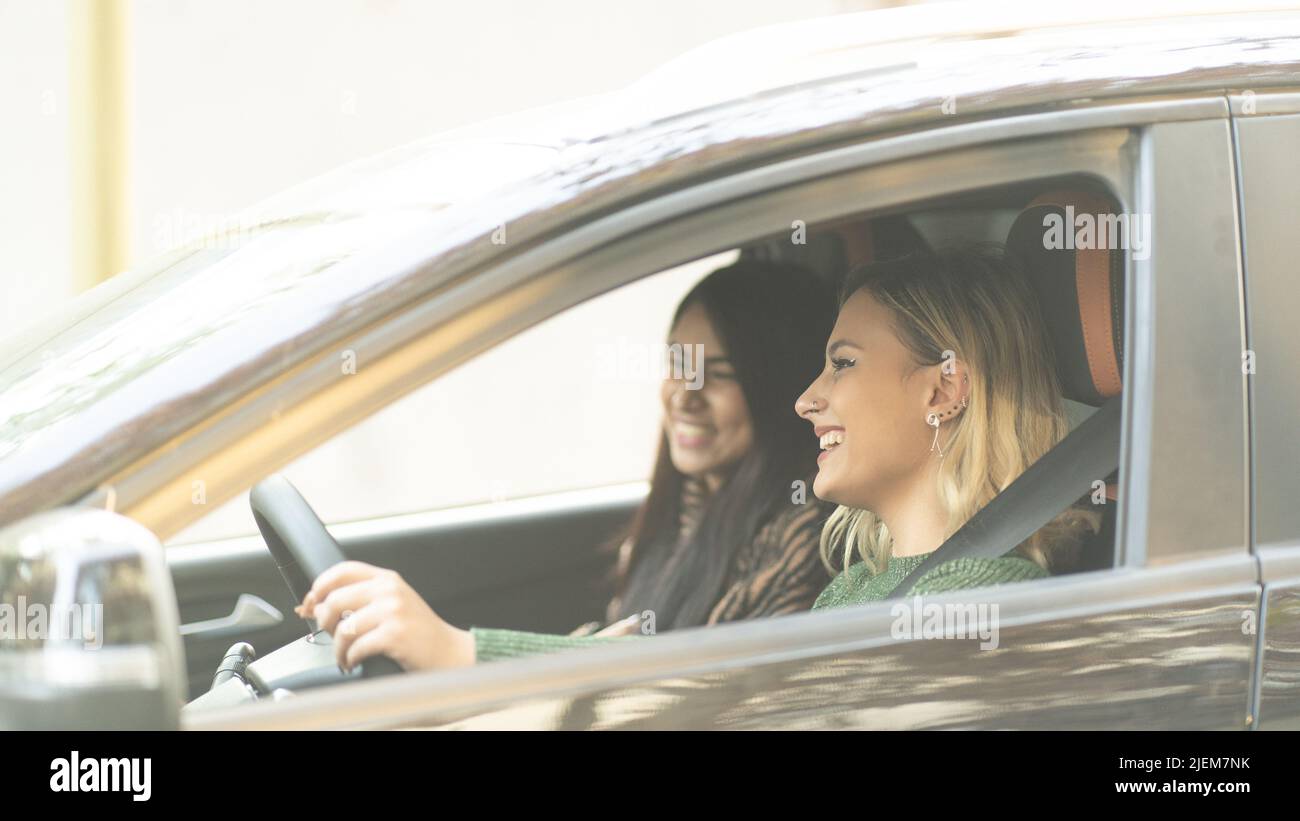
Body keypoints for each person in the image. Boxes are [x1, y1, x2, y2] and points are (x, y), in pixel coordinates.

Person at [297, 245, 1099, 671]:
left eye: (844, 364)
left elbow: (711, 693)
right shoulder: (861, 585)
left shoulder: (982, 601)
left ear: (944, 389)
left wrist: (462, 654)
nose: (805, 398)